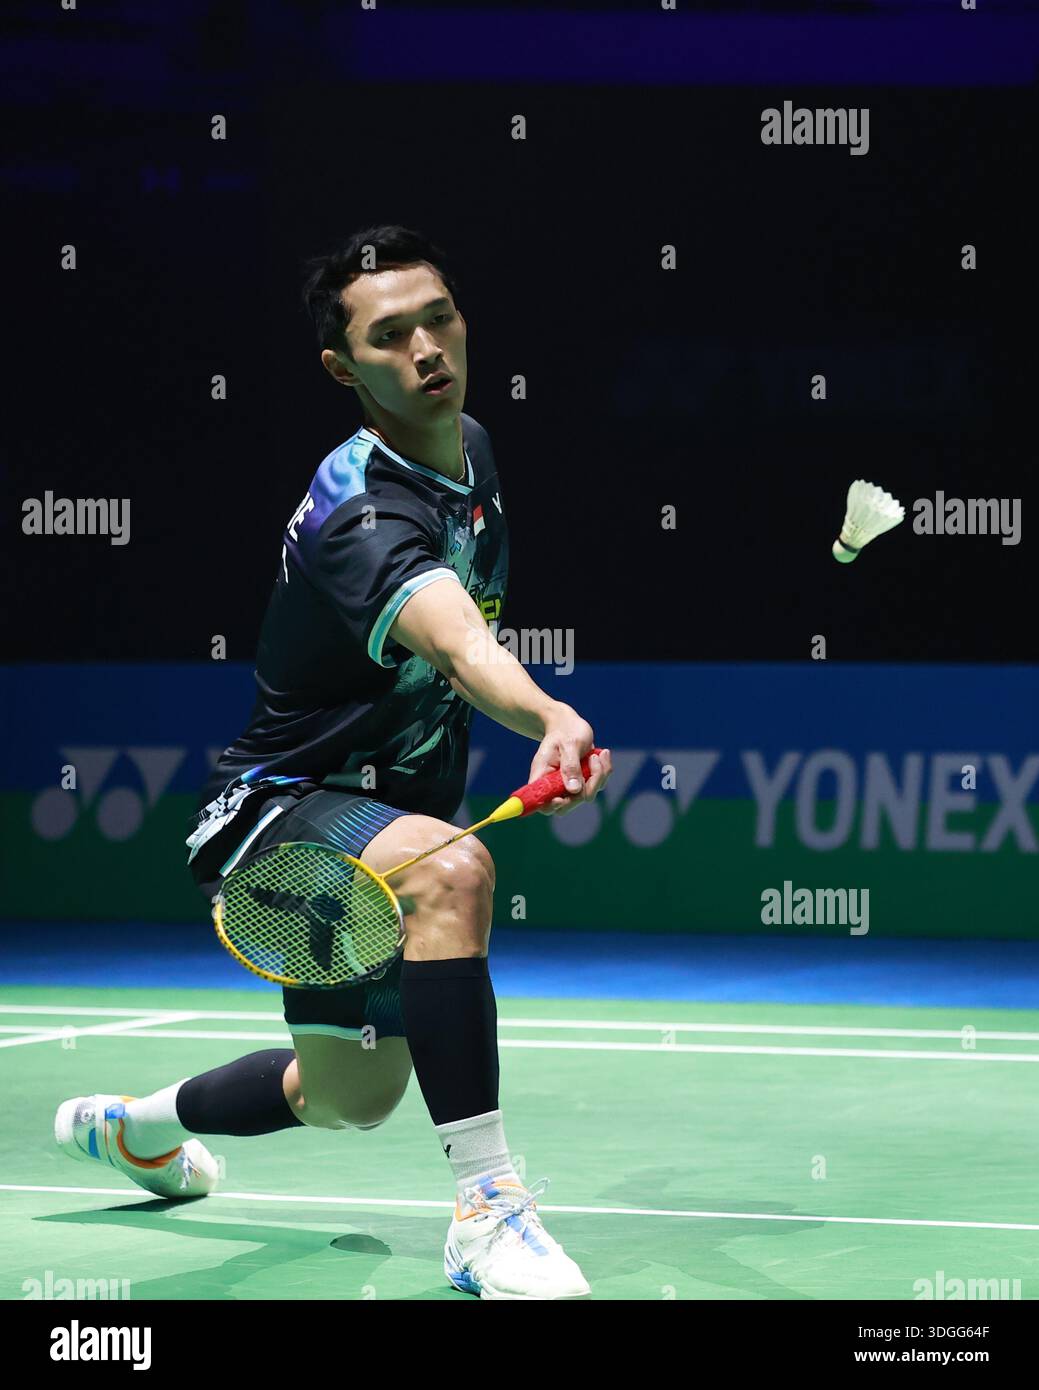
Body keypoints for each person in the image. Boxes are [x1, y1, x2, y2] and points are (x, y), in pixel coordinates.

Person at [54, 225, 612, 1301]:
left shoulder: (471, 450)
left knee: (346, 1095)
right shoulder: (359, 510)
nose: (426, 350)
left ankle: (138, 1129)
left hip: (386, 815)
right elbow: (458, 640)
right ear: (341, 367)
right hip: (280, 812)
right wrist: (545, 710)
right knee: (452, 873)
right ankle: (487, 1214)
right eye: (389, 335)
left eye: (437, 317)